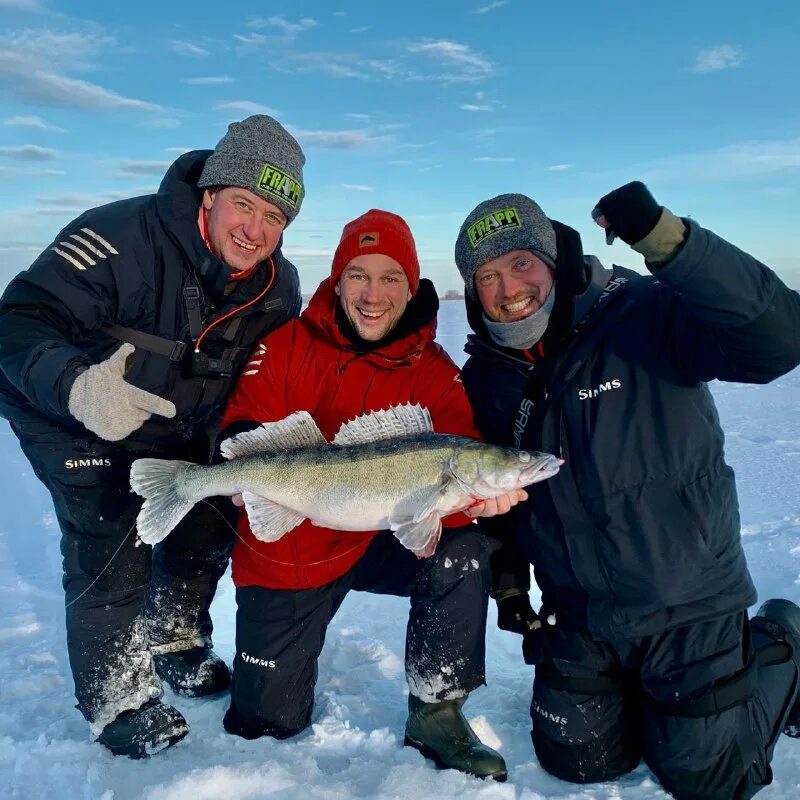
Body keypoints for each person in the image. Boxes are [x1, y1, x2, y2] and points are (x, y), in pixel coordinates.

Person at [453, 181, 800, 799]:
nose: (509, 290)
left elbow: (777, 341)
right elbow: (497, 496)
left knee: (708, 777)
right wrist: (509, 582)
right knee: (579, 762)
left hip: (686, 599)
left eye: (521, 263)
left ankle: (784, 643)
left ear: (552, 261)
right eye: (486, 277)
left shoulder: (642, 312)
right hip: (580, 612)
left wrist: (669, 241)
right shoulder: (484, 377)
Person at [0, 114, 306, 757]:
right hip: (66, 410)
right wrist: (78, 385)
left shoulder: (280, 287)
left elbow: (264, 374)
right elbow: (18, 321)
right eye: (244, 204)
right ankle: (118, 697)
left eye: (275, 216)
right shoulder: (116, 236)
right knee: (113, 538)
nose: (255, 230)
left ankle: (173, 634)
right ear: (210, 194)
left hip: (181, 419)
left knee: (208, 513)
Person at [219, 209, 524, 781]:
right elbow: (242, 424)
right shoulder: (285, 345)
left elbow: (460, 460)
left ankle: (436, 711)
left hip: (381, 536)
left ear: (411, 289)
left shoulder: (435, 372)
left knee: (468, 549)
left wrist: (478, 502)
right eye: (358, 274)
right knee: (265, 726)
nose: (373, 294)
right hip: (293, 547)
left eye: (391, 279)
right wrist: (240, 467)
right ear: (338, 281)